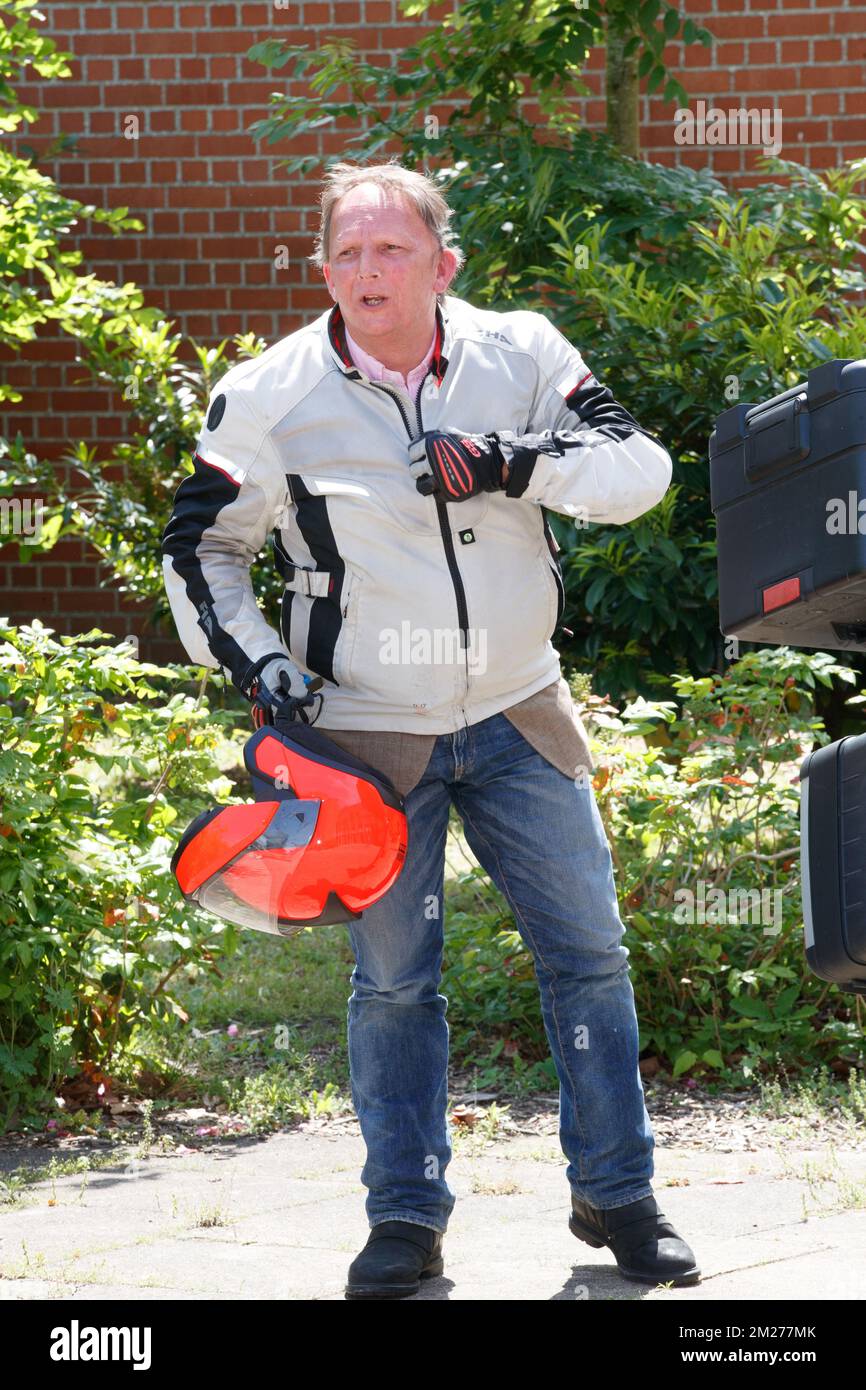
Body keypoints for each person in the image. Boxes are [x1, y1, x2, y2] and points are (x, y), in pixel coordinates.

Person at [161, 158, 700, 1300]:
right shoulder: (269, 391)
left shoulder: (523, 352)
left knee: (589, 956)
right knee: (397, 984)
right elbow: (198, 549)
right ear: (321, 269)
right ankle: (404, 1219)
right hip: (364, 738)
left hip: (516, 711)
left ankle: (619, 1193)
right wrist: (258, 663)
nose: (366, 270)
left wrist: (515, 463)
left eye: (390, 250)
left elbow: (640, 471)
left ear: (441, 265)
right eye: (345, 253)